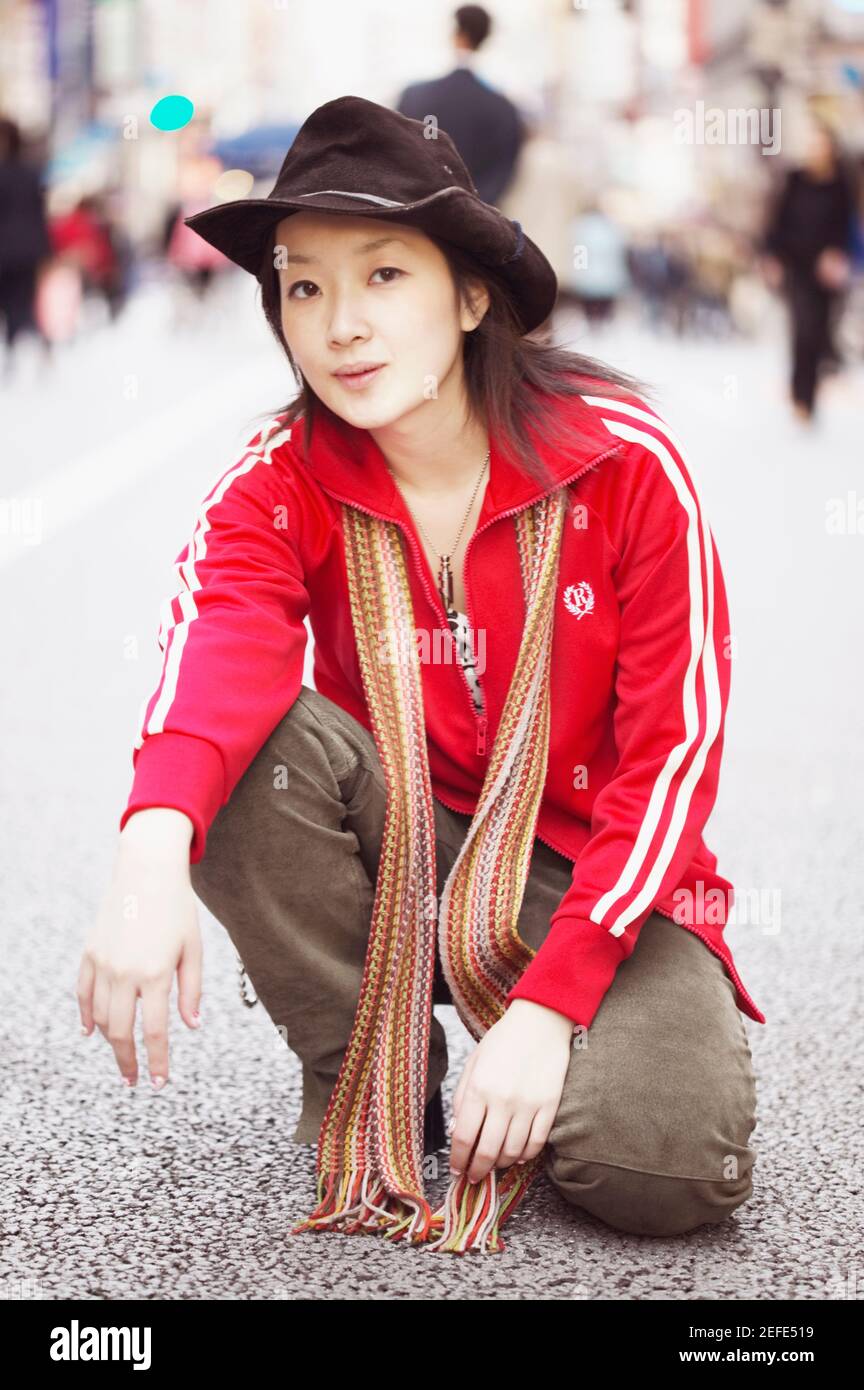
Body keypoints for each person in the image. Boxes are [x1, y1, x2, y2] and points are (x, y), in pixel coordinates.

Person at [78, 96, 764, 1256]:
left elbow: (673, 753)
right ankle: (370, 1057)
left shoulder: (624, 465)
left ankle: (526, 1020)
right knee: (240, 754)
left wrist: (553, 1006)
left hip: (593, 866)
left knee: (659, 1166)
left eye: (384, 275)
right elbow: (217, 649)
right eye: (304, 287)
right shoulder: (279, 479)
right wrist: (148, 847)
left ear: (471, 293)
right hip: (401, 843)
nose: (340, 324)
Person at [761, 119, 857, 422]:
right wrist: (772, 257)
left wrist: (837, 254)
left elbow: (846, 224)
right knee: (802, 327)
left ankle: (810, 394)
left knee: (820, 330)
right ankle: (801, 395)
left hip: (827, 270)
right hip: (796, 265)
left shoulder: (842, 182)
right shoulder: (794, 180)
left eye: (821, 144)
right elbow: (776, 222)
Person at [396, 5, 525, 206]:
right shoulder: (504, 109)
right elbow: (503, 174)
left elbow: (401, 156)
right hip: (477, 222)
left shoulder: (415, 96)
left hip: (420, 217)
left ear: (457, 34)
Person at [0, 116, 52, 374]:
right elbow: (41, 215)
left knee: (14, 301)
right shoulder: (33, 173)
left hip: (12, 252)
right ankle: (28, 345)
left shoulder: (16, 174)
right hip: (28, 250)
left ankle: (17, 347)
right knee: (23, 300)